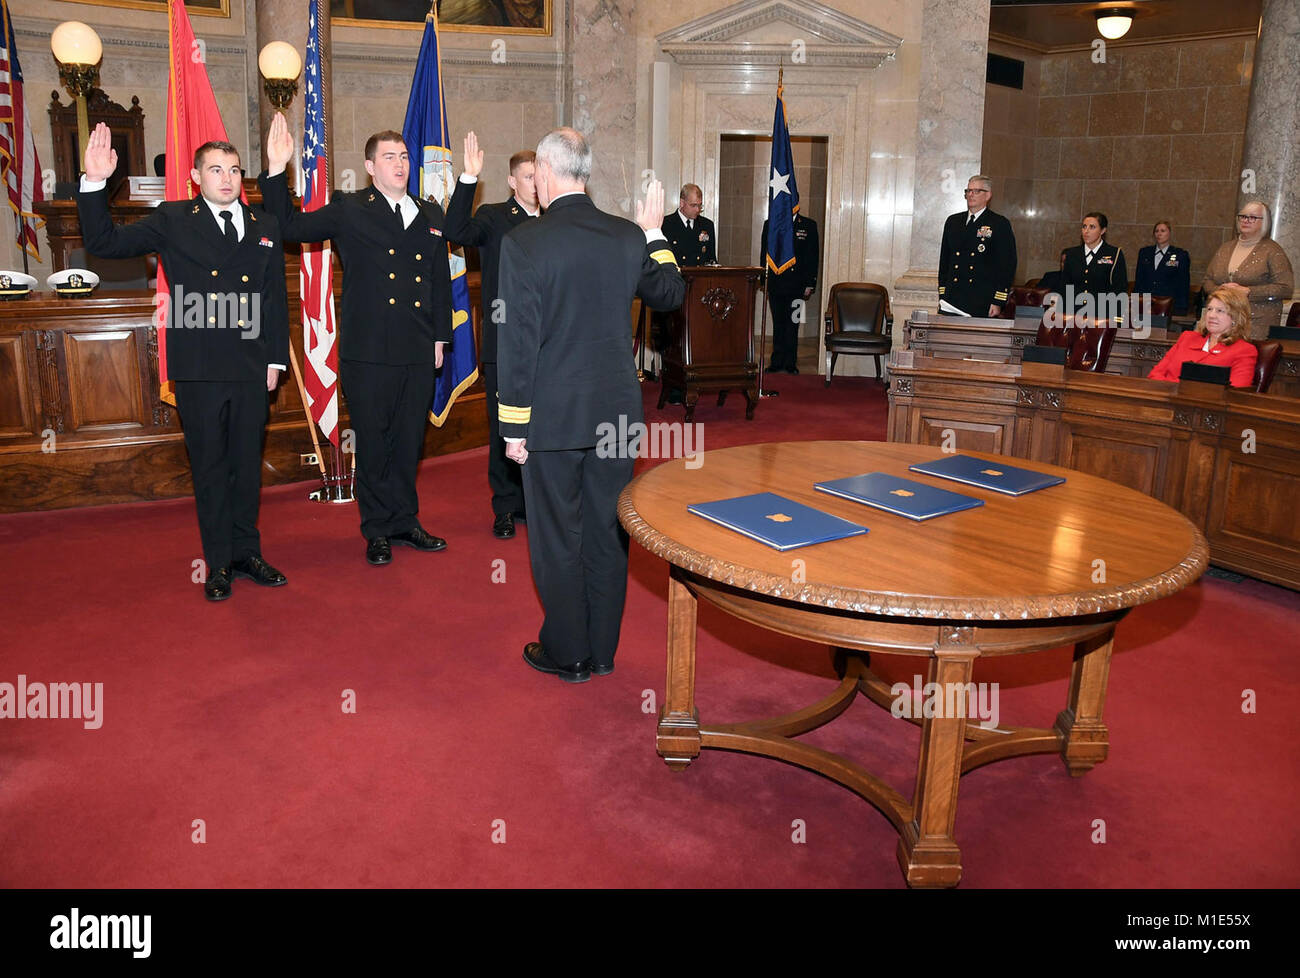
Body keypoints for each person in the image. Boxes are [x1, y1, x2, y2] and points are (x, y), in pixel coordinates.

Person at [497, 127, 685, 684]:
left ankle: (569, 652)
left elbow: (517, 338)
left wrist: (513, 423)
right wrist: (655, 233)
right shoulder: (627, 236)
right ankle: (603, 651)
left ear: (547, 174)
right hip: (617, 415)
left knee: (558, 535)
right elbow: (671, 295)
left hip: (551, 418)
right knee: (607, 532)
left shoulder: (525, 242)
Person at [76, 124, 290, 602]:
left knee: (246, 465)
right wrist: (94, 184)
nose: (227, 178)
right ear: (196, 177)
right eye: (216, 170)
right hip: (198, 367)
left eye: (234, 170)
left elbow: (274, 298)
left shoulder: (265, 226)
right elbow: (106, 243)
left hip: (252, 364)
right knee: (211, 466)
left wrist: (276, 359)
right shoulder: (173, 218)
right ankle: (218, 563)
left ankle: (246, 552)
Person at [260, 113, 452, 566]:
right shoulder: (349, 208)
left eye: (404, 156)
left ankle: (406, 520)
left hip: (417, 347)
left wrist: (441, 336)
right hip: (368, 351)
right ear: (370, 166)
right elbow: (290, 227)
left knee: (409, 441)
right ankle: (377, 529)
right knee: (373, 440)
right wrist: (275, 171)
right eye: (389, 158)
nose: (400, 164)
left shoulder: (429, 213)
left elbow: (439, 280)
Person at [444, 133, 538, 540]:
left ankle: (535, 502)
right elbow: (455, 228)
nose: (536, 183)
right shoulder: (496, 215)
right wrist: (468, 177)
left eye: (541, 175)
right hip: (505, 342)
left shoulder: (556, 220)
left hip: (546, 345)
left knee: (539, 427)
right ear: (513, 181)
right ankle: (505, 506)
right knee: (504, 426)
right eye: (529, 176)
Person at [1201, 200, 1294, 340]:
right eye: (1243, 216)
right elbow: (1208, 280)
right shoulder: (1225, 248)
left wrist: (1249, 292)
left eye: (1253, 217)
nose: (1246, 220)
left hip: (1256, 324)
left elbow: (1285, 288)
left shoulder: (1272, 250)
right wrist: (1220, 290)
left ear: (1264, 222)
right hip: (1223, 324)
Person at [937, 174, 1017, 317]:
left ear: (988, 195)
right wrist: (943, 293)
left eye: (976, 191)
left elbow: (1006, 265)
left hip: (981, 300)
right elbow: (945, 261)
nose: (971, 195)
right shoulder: (953, 222)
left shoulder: (999, 223)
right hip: (951, 299)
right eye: (968, 191)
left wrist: (997, 301)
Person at [1148, 286, 1258, 387]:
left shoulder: (1244, 350)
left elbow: (1235, 392)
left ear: (1235, 318)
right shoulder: (1187, 338)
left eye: (1220, 311)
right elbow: (1154, 375)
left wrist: (1179, 387)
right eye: (1210, 309)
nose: (1211, 315)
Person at [759, 211, 819, 373]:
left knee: (793, 324)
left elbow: (813, 256)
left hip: (798, 286)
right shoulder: (770, 224)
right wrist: (763, 280)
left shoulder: (808, 225)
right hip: (776, 284)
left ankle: (790, 363)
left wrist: (810, 283)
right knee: (778, 323)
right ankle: (777, 362)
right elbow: (764, 253)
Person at [1060, 212, 1127, 322]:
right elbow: (1065, 287)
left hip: (1101, 316)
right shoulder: (1072, 254)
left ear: (1102, 230)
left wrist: (1116, 320)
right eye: (1084, 227)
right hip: (1075, 315)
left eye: (1092, 227)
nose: (1086, 231)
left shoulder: (1114, 253)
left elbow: (1119, 290)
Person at [1134, 220, 1191, 315]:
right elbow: (1139, 279)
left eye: (1163, 231)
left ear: (1169, 233)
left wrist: (1182, 307)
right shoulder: (1145, 252)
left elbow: (1183, 282)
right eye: (1156, 231)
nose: (1159, 234)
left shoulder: (1180, 254)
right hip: (1146, 303)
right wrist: (1135, 302)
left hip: (1168, 304)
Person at [660, 183, 717, 267]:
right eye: (693, 205)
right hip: (676, 278)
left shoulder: (707, 225)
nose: (697, 210)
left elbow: (711, 260)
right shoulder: (665, 224)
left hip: (700, 278)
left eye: (699, 205)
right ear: (682, 203)